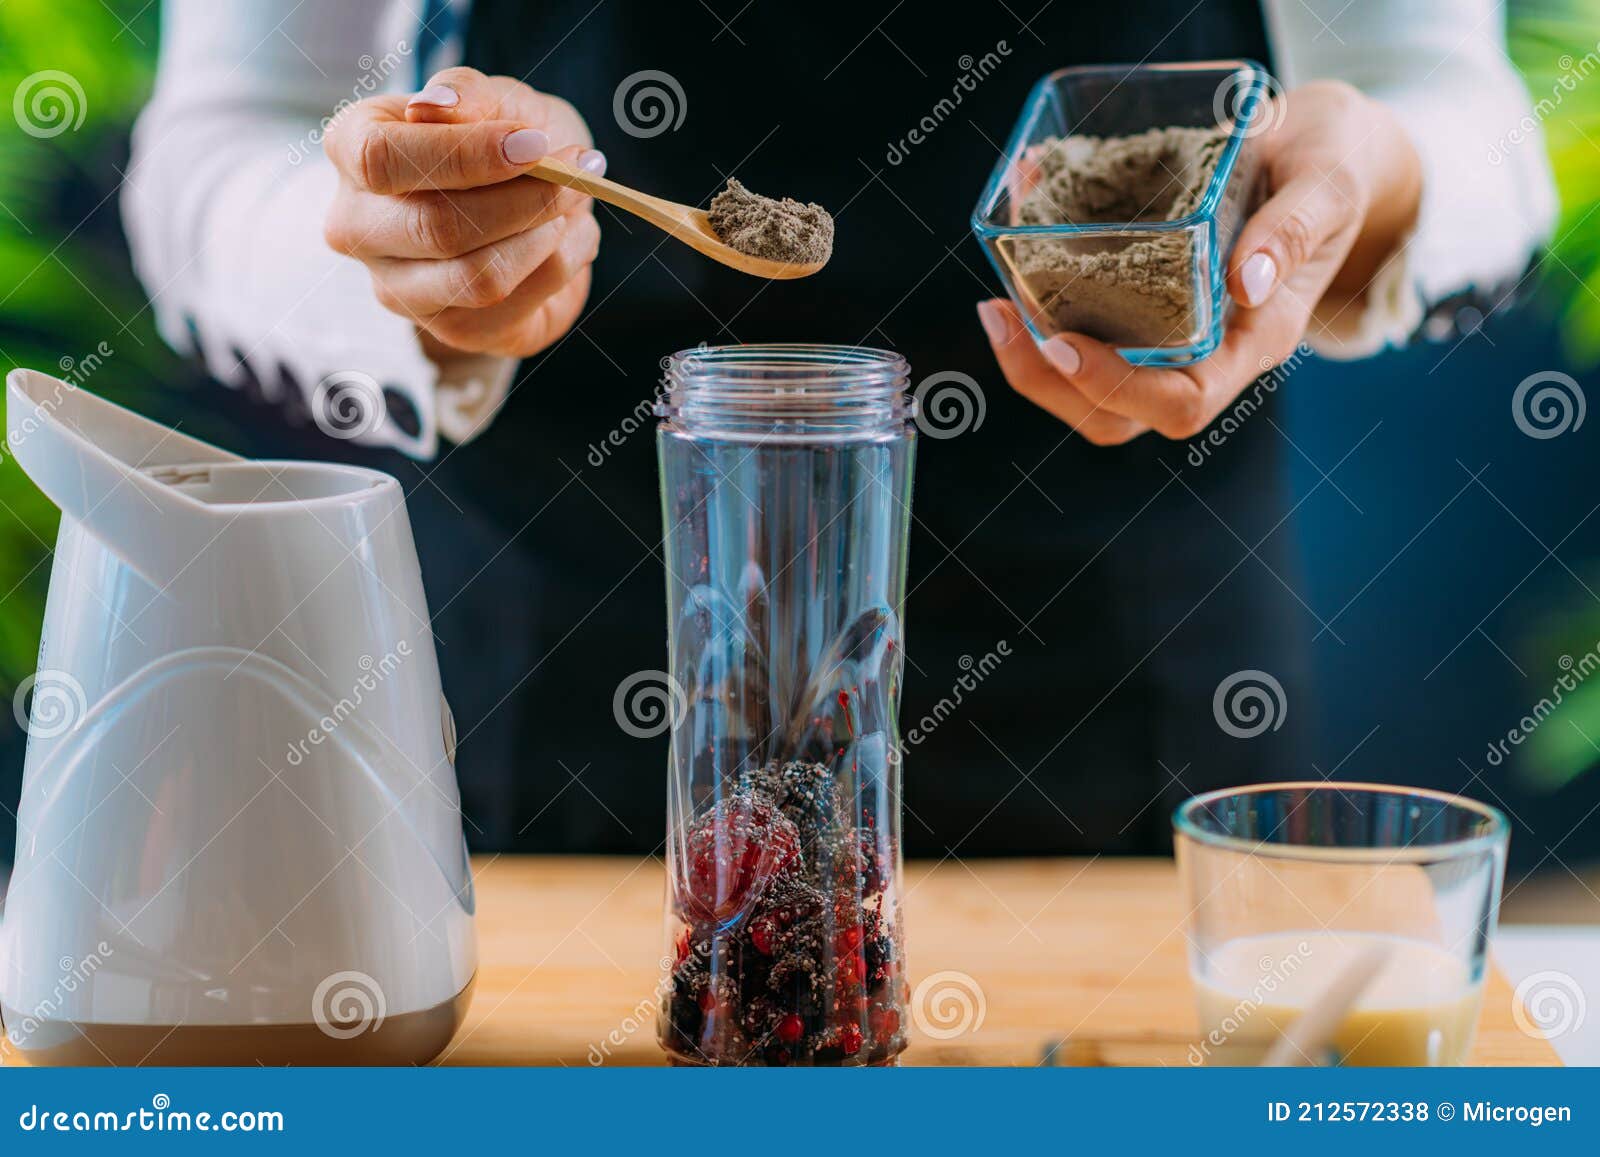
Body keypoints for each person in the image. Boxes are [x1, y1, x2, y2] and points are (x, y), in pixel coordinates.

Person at [122, 0, 1556, 854]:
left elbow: (1461, 111)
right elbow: (223, 143)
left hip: (1126, 640)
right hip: (565, 655)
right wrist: (409, 268)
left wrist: (1366, 191)